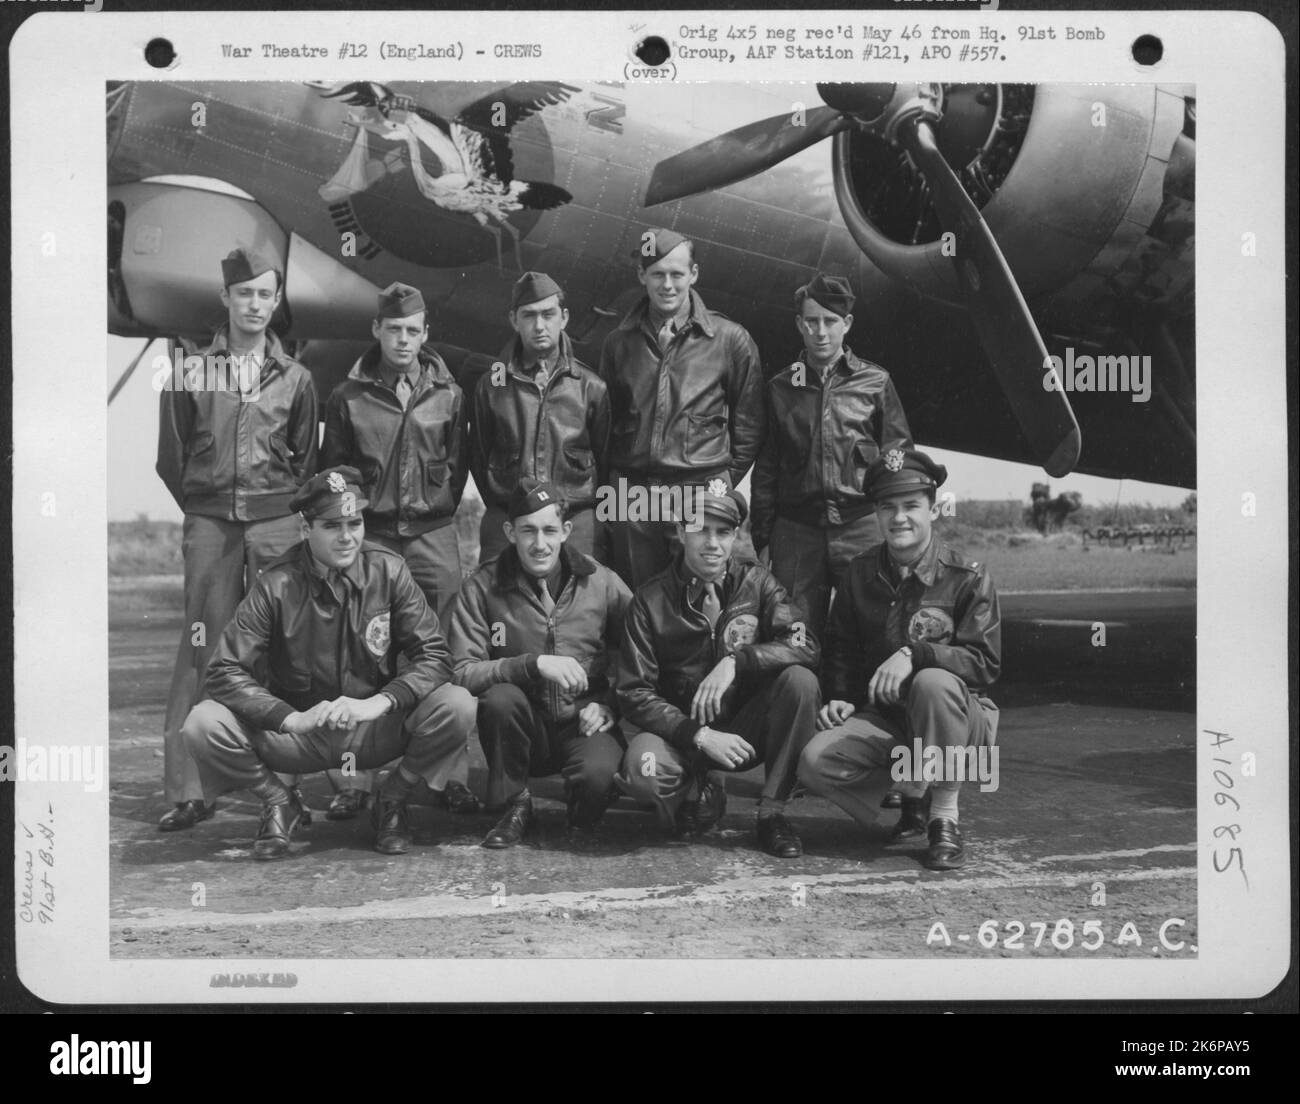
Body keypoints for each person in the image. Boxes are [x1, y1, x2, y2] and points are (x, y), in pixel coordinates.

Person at [180, 467, 477, 860]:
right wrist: (289, 718)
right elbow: (223, 670)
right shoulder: (275, 584)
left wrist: (380, 702)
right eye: (332, 526)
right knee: (203, 723)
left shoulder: (388, 570)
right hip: (301, 733)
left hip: (372, 728)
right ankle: (279, 801)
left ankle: (392, 800)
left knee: (457, 704)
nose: (347, 536)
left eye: (355, 523)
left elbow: (436, 655)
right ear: (306, 529)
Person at [155, 246, 318, 831]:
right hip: (211, 526)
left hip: (277, 524)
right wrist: (208, 510)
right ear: (225, 297)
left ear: (276, 302)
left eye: (264, 294)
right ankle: (190, 790)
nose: (254, 304)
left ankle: (288, 786)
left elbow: (306, 462)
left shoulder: (297, 378)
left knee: (282, 648)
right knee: (202, 645)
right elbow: (171, 458)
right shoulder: (190, 371)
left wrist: (277, 515)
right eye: (244, 293)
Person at [798, 448, 1002, 870]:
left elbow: (985, 663)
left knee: (932, 681)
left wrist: (919, 653)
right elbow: (841, 647)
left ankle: (944, 815)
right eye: (888, 507)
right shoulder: (860, 573)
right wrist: (839, 696)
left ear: (934, 509)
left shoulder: (968, 575)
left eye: (911, 506)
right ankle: (913, 790)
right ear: (876, 514)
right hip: (890, 720)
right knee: (815, 763)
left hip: (961, 723)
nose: (899, 518)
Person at [321, 281, 478, 817]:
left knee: (445, 647)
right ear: (377, 330)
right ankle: (352, 781)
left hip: (433, 534)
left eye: (413, 330)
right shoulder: (348, 396)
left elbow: (457, 466)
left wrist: (435, 508)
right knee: (358, 649)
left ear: (426, 333)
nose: (403, 339)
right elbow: (336, 475)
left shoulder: (450, 394)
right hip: (375, 535)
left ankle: (448, 775)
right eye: (394, 329)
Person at [615, 483, 820, 858]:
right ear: (681, 532)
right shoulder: (649, 600)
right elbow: (634, 692)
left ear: (735, 535)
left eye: (723, 532)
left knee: (800, 682)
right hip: (682, 734)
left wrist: (739, 661)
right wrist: (699, 735)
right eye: (700, 530)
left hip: (744, 730)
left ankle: (772, 813)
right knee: (644, 771)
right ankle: (695, 790)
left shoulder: (758, 583)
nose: (712, 543)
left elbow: (803, 643)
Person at [449, 480, 632, 847]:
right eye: (528, 531)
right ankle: (514, 804)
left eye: (549, 530)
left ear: (565, 531)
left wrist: (611, 704)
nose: (539, 543)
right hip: (523, 724)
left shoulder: (600, 582)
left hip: (582, 721)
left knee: (595, 785)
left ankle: (586, 797)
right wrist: (531, 664)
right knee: (499, 699)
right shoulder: (482, 586)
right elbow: (462, 671)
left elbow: (642, 651)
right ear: (509, 532)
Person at [750, 273, 912, 642]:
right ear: (799, 324)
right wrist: (763, 538)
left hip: (861, 526)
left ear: (847, 323)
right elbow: (767, 470)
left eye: (830, 321)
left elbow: (899, 463)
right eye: (811, 321)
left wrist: (895, 526)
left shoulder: (876, 383)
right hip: (796, 533)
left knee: (879, 633)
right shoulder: (780, 388)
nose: (820, 332)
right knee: (793, 638)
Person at [598, 229, 764, 588]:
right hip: (633, 495)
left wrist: (717, 482)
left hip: (699, 489)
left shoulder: (730, 339)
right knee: (636, 598)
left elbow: (749, 426)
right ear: (641, 276)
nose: (668, 285)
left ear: (694, 274)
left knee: (702, 594)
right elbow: (605, 425)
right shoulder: (618, 343)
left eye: (677, 274)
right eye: (657, 274)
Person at [470, 271, 611, 564]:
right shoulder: (492, 386)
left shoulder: (591, 387)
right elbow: (479, 457)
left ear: (564, 318)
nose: (539, 326)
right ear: (514, 320)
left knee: (585, 589)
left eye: (548, 314)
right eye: (529, 315)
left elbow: (606, 460)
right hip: (509, 515)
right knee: (496, 589)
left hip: (575, 517)